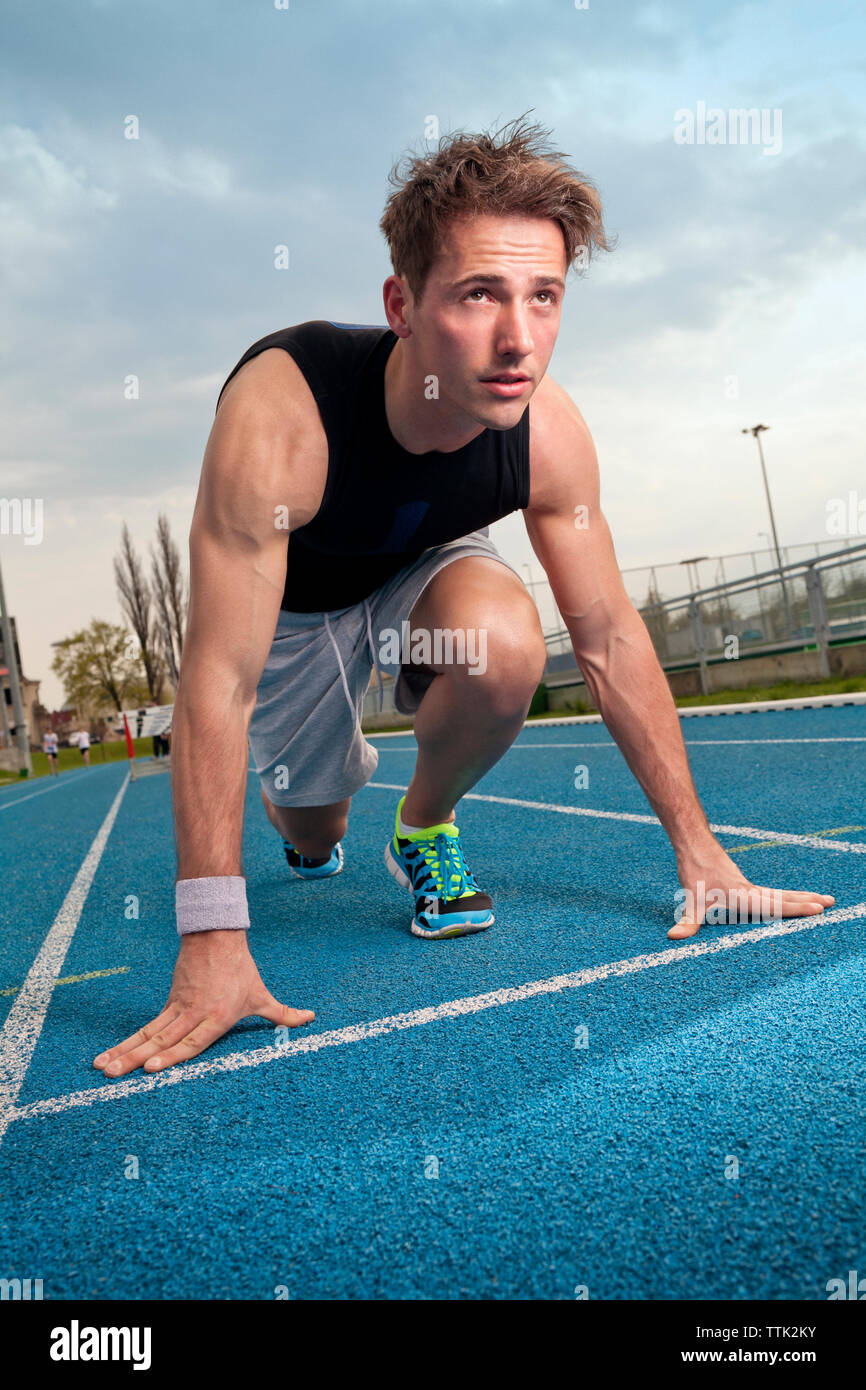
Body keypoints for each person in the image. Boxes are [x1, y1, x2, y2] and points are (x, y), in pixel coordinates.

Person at [93, 118, 833, 1081]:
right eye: (480, 294)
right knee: (313, 829)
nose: (517, 338)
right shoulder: (284, 414)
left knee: (504, 645)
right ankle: (313, 810)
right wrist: (210, 937)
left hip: (424, 573)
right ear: (402, 303)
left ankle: (422, 826)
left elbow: (608, 638)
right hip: (299, 612)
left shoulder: (546, 431)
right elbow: (220, 681)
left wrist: (704, 857)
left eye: (544, 296)